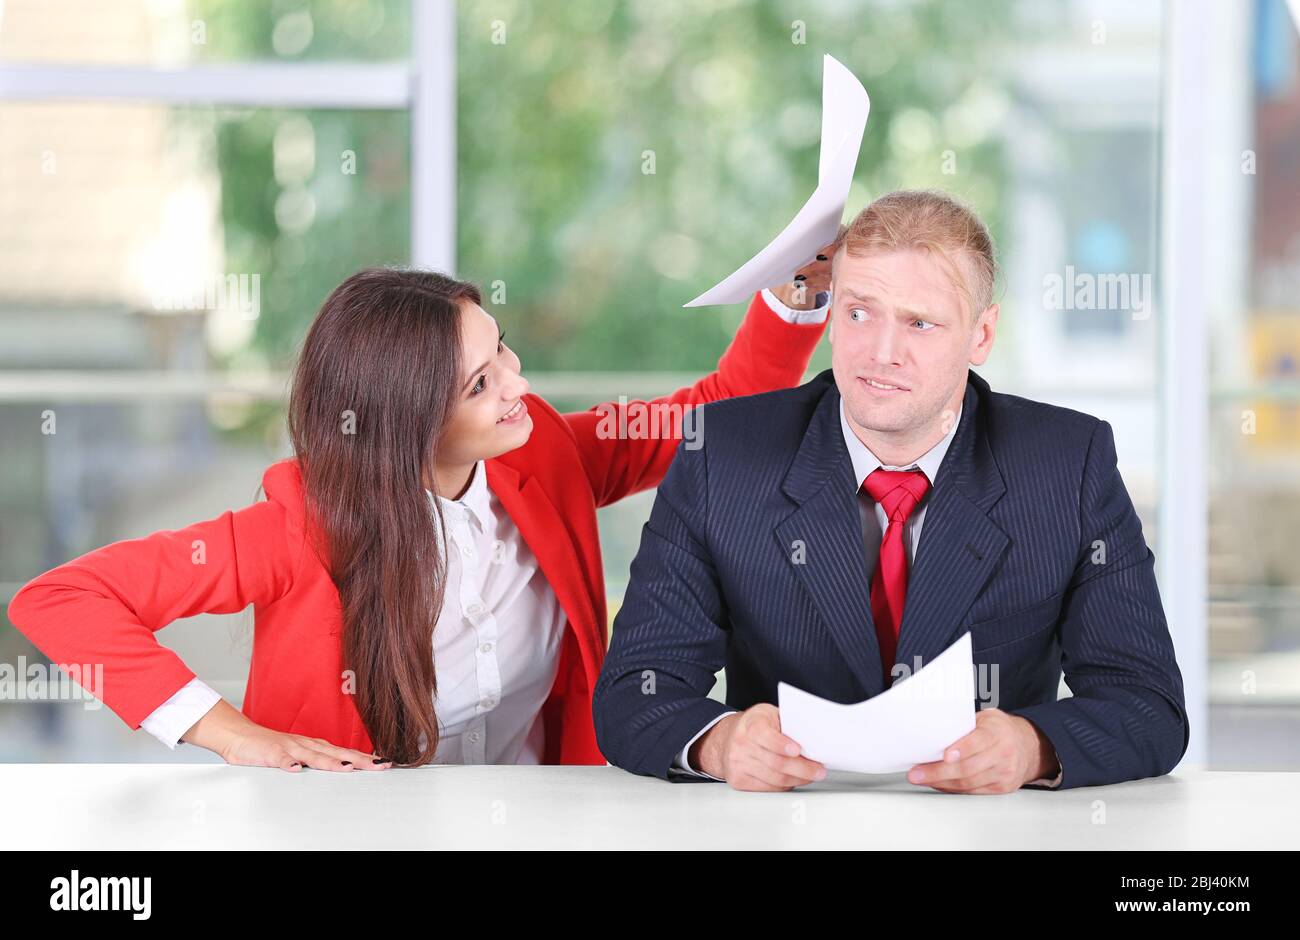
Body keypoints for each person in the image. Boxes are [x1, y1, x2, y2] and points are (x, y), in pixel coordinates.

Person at [9, 258, 834, 771]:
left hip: (550, 819)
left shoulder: (540, 452)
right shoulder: (300, 526)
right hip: (349, 833)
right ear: (409, 425)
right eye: (480, 384)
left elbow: (713, 412)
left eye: (500, 348)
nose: (518, 384)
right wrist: (228, 732)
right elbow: (57, 601)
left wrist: (799, 292)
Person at [593, 190, 1189, 793]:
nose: (880, 353)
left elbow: (1148, 704)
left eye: (919, 323)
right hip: (783, 828)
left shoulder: (1067, 464)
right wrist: (720, 744)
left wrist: (1032, 747)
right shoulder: (721, 454)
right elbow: (633, 691)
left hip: (984, 831)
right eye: (858, 312)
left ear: (981, 336)